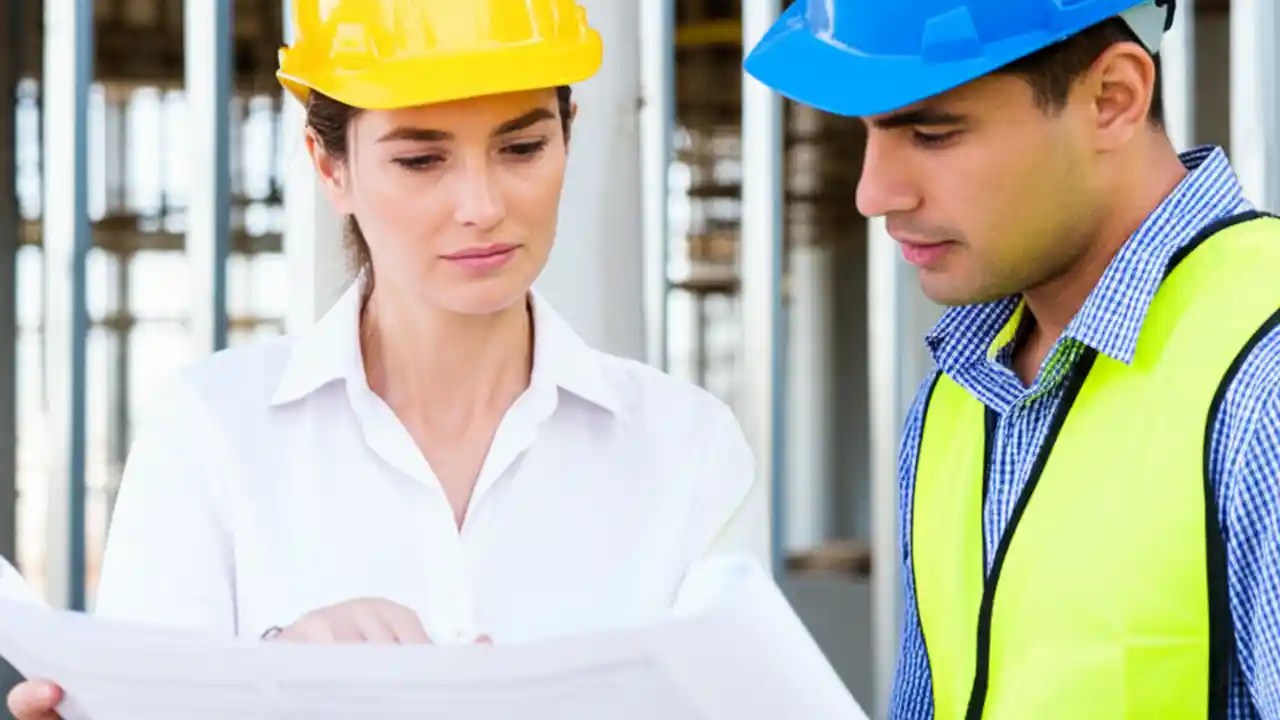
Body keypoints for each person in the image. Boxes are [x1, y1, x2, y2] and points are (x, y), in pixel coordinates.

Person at [9, 1, 768, 717]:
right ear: (329, 165)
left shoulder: (687, 448)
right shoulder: (209, 432)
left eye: (522, 148)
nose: (481, 206)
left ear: (569, 132)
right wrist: (277, 675)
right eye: (420, 160)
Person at [745, 0, 1278, 718]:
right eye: (868, 132)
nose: (873, 194)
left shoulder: (1264, 376)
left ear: (1112, 99)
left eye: (932, 134)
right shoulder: (958, 395)